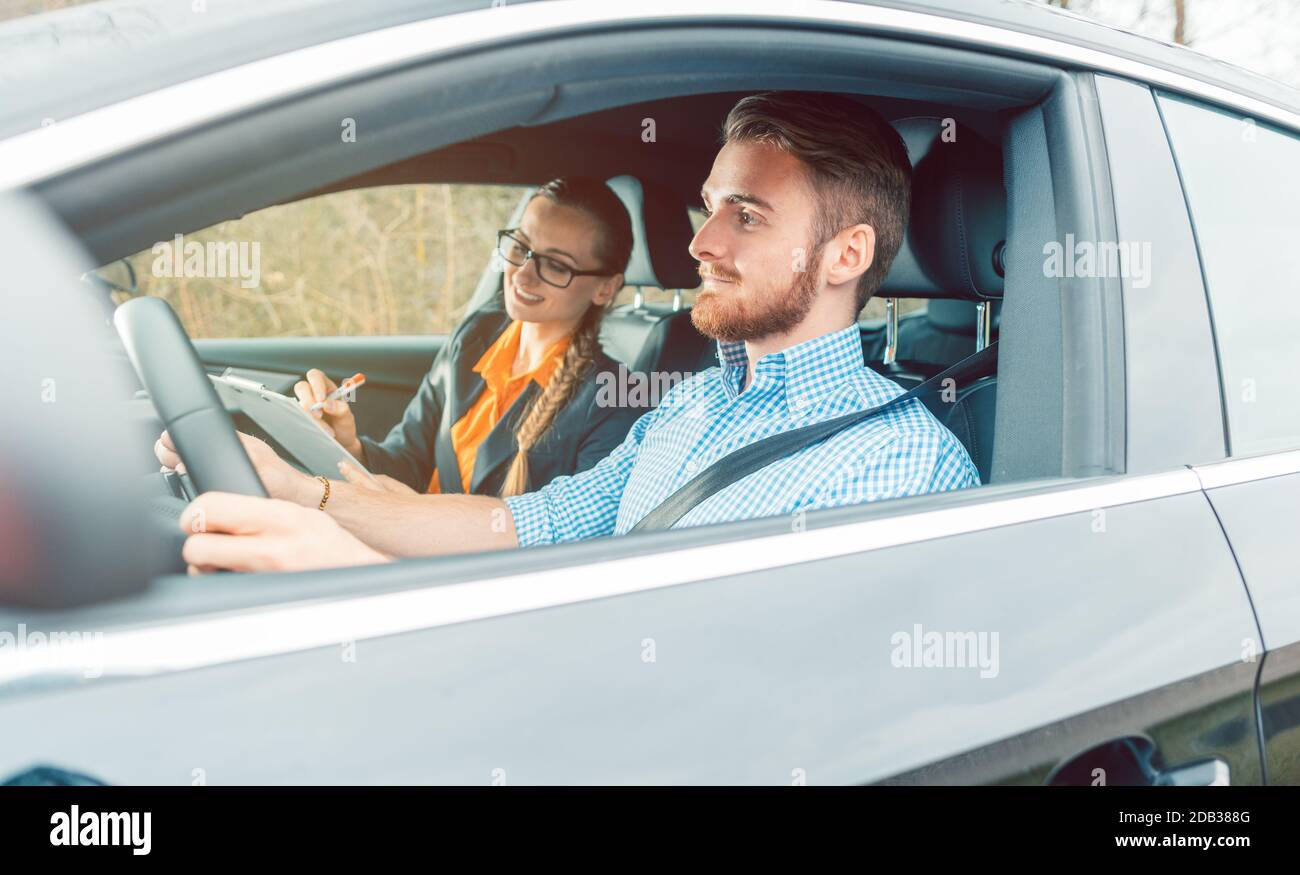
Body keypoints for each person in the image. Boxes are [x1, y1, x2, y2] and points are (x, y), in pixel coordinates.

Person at [159, 91, 981, 574]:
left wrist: (356, 577)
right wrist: (305, 493)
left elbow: (713, 696)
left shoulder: (898, 464)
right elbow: (520, 527)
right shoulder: (686, 405)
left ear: (847, 253)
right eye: (709, 205)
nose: (701, 242)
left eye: (749, 215)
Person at [292, 176, 641, 499]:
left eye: (556, 266)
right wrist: (349, 446)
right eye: (521, 247)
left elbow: (570, 539)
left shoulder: (612, 403)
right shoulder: (477, 334)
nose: (523, 274)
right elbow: (409, 461)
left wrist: (416, 515)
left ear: (606, 288)